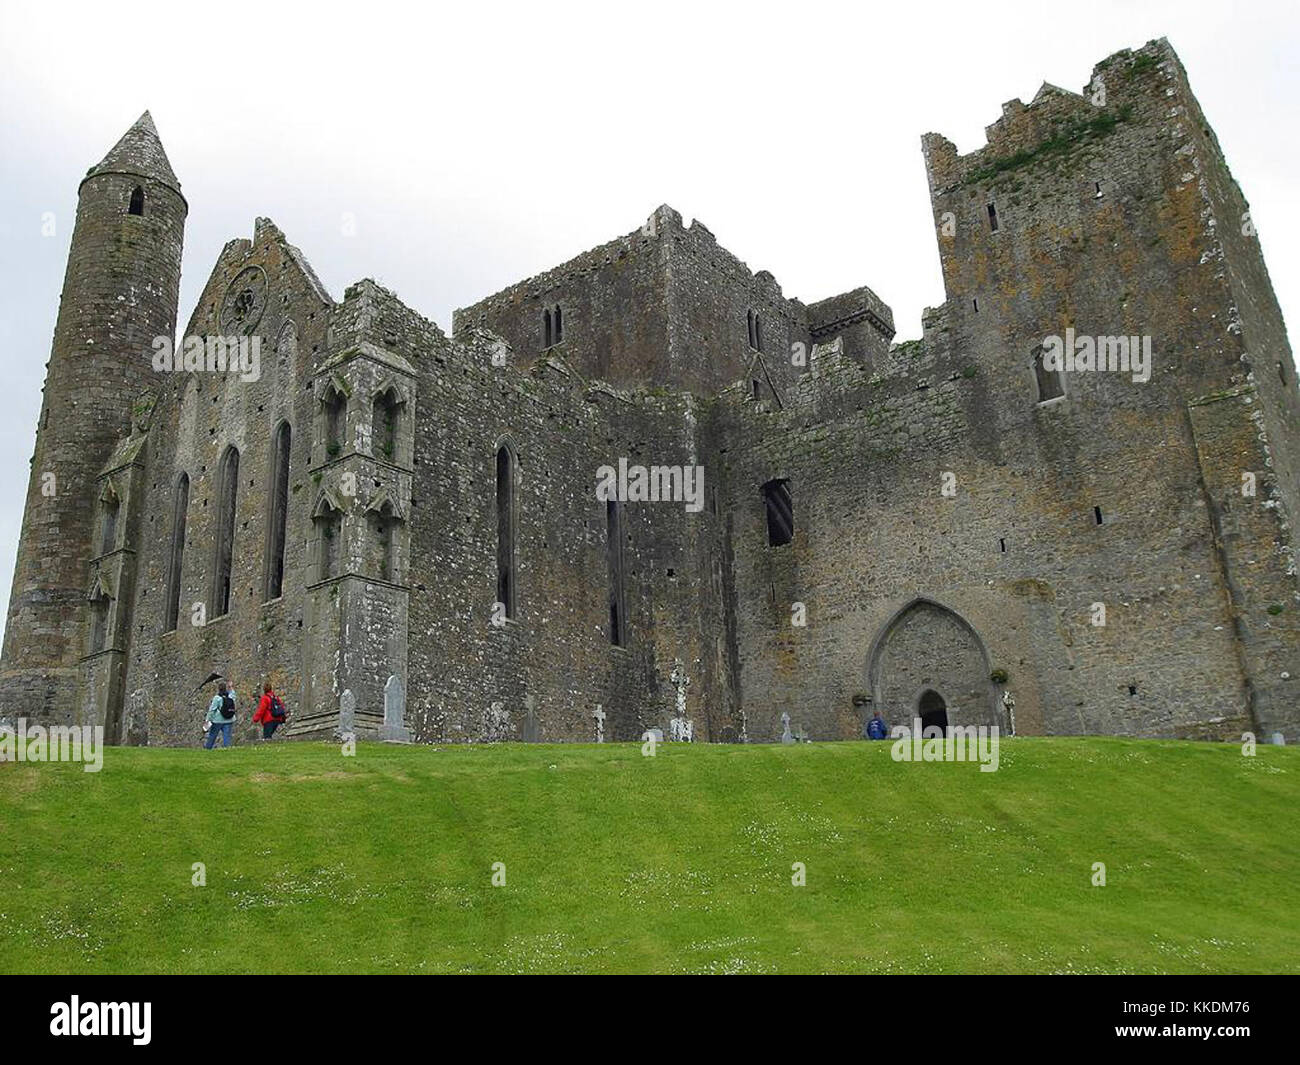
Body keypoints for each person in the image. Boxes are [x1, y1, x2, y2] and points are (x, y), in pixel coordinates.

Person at [204, 681, 237, 748]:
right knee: (227, 737)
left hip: (217, 720)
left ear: (219, 689)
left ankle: (208, 748)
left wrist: (207, 719)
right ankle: (227, 749)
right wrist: (231, 687)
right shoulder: (230, 697)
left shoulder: (217, 698)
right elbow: (233, 694)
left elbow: (212, 710)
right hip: (229, 719)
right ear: (226, 689)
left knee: (212, 736)